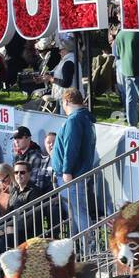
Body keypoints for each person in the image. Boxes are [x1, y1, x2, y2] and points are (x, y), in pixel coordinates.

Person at [51, 89, 97, 234]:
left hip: (73, 176)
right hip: (77, 174)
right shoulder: (84, 118)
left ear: (65, 102)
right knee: (75, 214)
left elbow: (71, 147)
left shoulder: (74, 120)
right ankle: (78, 248)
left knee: (79, 213)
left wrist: (67, 171)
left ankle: (89, 249)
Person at [113, 21, 139, 129]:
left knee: (130, 98)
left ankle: (132, 125)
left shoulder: (120, 33)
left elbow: (117, 53)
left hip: (126, 70)